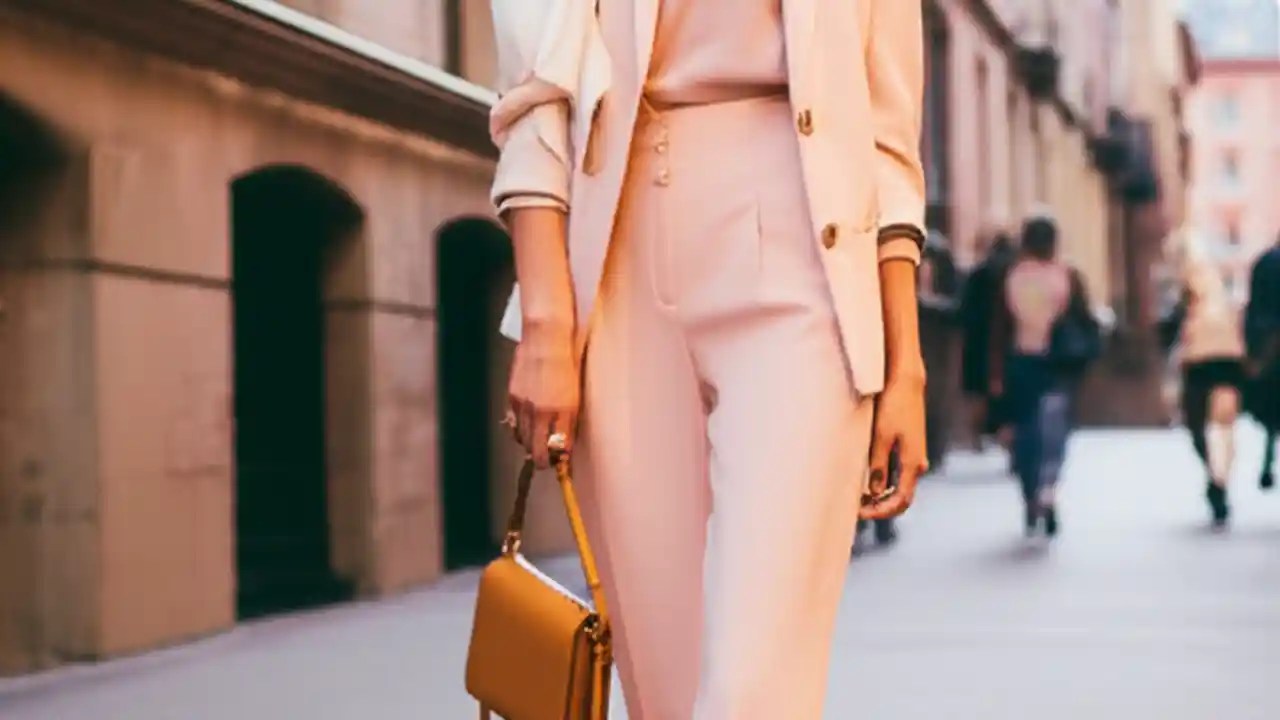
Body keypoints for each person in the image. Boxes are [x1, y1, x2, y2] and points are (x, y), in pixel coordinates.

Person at [488, 1, 929, 718]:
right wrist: (545, 323)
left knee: (753, 693)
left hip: (810, 260)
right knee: (662, 697)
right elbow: (535, 91)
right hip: (618, 263)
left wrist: (904, 361)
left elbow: (888, 138)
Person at [990, 213, 1097, 538]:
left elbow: (998, 330)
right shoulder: (1068, 277)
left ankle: (1030, 494)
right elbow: (1085, 321)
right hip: (1058, 366)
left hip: (1020, 364)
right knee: (1053, 433)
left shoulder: (1011, 278)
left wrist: (994, 375)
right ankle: (1048, 489)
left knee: (1025, 434)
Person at [1175, 254, 1246, 527]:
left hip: (1211, 362)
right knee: (1215, 427)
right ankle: (1218, 478)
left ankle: (1217, 479)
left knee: (1208, 425)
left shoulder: (1211, 299)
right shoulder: (1208, 301)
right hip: (1218, 362)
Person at [959, 229, 1017, 447]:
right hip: (1007, 341)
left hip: (977, 339)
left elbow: (964, 309)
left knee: (977, 392)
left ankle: (976, 437)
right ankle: (1006, 437)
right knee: (1007, 392)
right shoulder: (1013, 274)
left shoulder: (978, 274)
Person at [1245, 236, 1280, 491]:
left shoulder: (1264, 262)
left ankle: (1268, 460)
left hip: (1267, 342)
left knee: (1272, 407)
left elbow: (1254, 306)